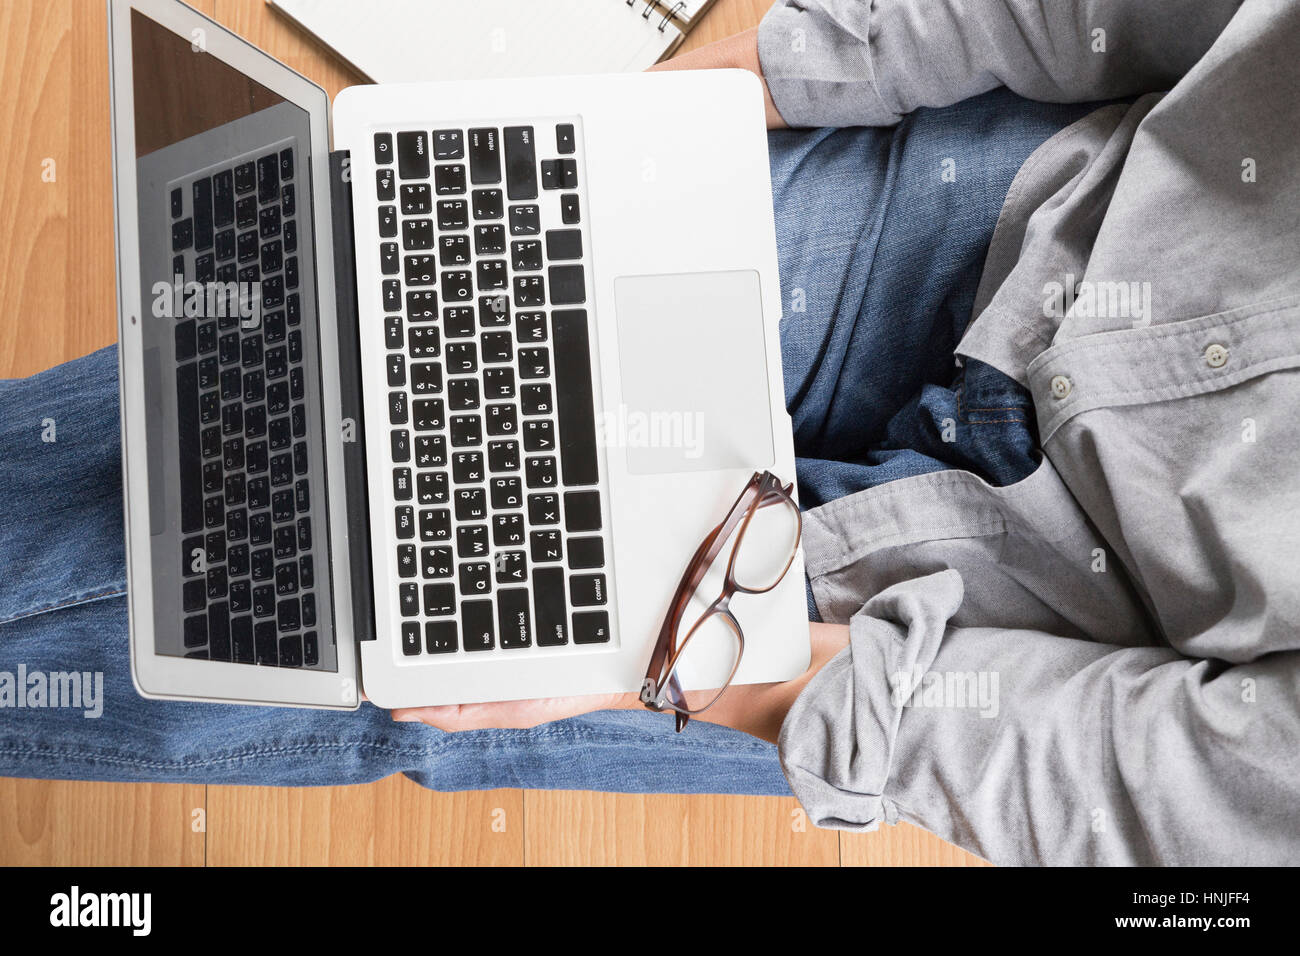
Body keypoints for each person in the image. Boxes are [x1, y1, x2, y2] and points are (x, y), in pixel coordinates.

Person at [1, 0, 1296, 865]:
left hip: (1025, 637)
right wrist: (700, 101)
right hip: (1022, 202)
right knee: (303, 370)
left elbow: (1213, 788)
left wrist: (699, 668)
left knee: (385, 644)